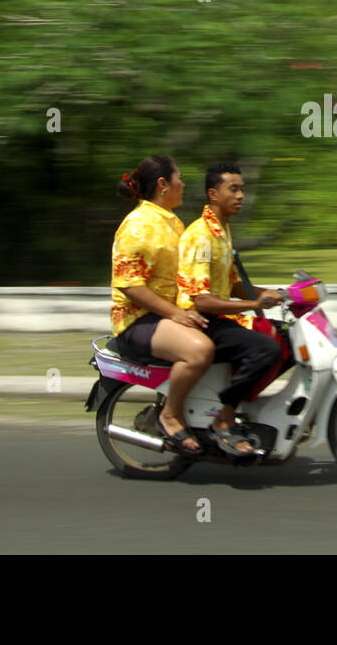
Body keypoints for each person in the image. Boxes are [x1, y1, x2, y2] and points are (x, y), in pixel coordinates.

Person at [176, 162, 287, 456]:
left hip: (222, 317)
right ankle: (222, 420)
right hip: (203, 322)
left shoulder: (222, 230)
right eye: (233, 189)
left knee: (287, 338)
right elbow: (201, 300)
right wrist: (253, 304)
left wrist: (282, 294)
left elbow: (233, 285)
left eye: (242, 190)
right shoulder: (201, 236)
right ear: (213, 194)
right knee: (267, 349)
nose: (241, 196)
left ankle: (238, 403)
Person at [110, 154, 215, 456]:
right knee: (200, 350)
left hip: (165, 315)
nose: (183, 183)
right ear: (162, 184)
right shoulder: (138, 225)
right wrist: (176, 314)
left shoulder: (171, 221)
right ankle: (169, 415)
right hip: (138, 319)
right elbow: (130, 286)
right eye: (179, 178)